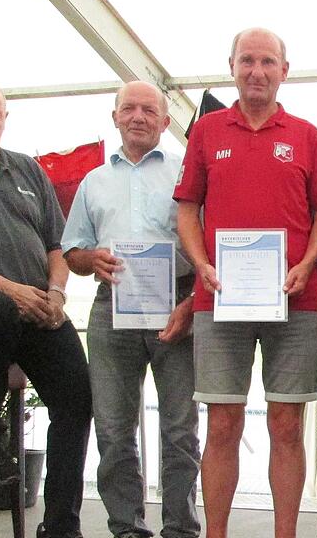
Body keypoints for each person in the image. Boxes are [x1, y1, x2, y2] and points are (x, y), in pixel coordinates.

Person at [173, 27, 317, 538]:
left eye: (268, 62)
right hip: (219, 298)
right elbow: (185, 210)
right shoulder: (206, 132)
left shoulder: (307, 135)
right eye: (247, 61)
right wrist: (201, 263)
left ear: (284, 71)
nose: (257, 71)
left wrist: (307, 264)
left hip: (297, 298)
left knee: (287, 427)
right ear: (231, 66)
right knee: (221, 425)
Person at [0, 76, 92, 538]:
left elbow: (57, 244)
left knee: (76, 395)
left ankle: (60, 524)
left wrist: (55, 294)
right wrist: (10, 290)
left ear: (6, 120)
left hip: (36, 304)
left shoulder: (27, 169)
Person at [62, 81, 200, 538]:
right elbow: (72, 253)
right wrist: (91, 260)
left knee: (180, 429)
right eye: (129, 109)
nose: (138, 117)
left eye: (149, 110)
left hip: (176, 305)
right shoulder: (93, 181)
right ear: (115, 116)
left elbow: (206, 246)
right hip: (112, 307)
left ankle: (180, 528)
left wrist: (192, 300)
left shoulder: (186, 176)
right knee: (114, 430)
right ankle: (127, 528)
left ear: (165, 121)